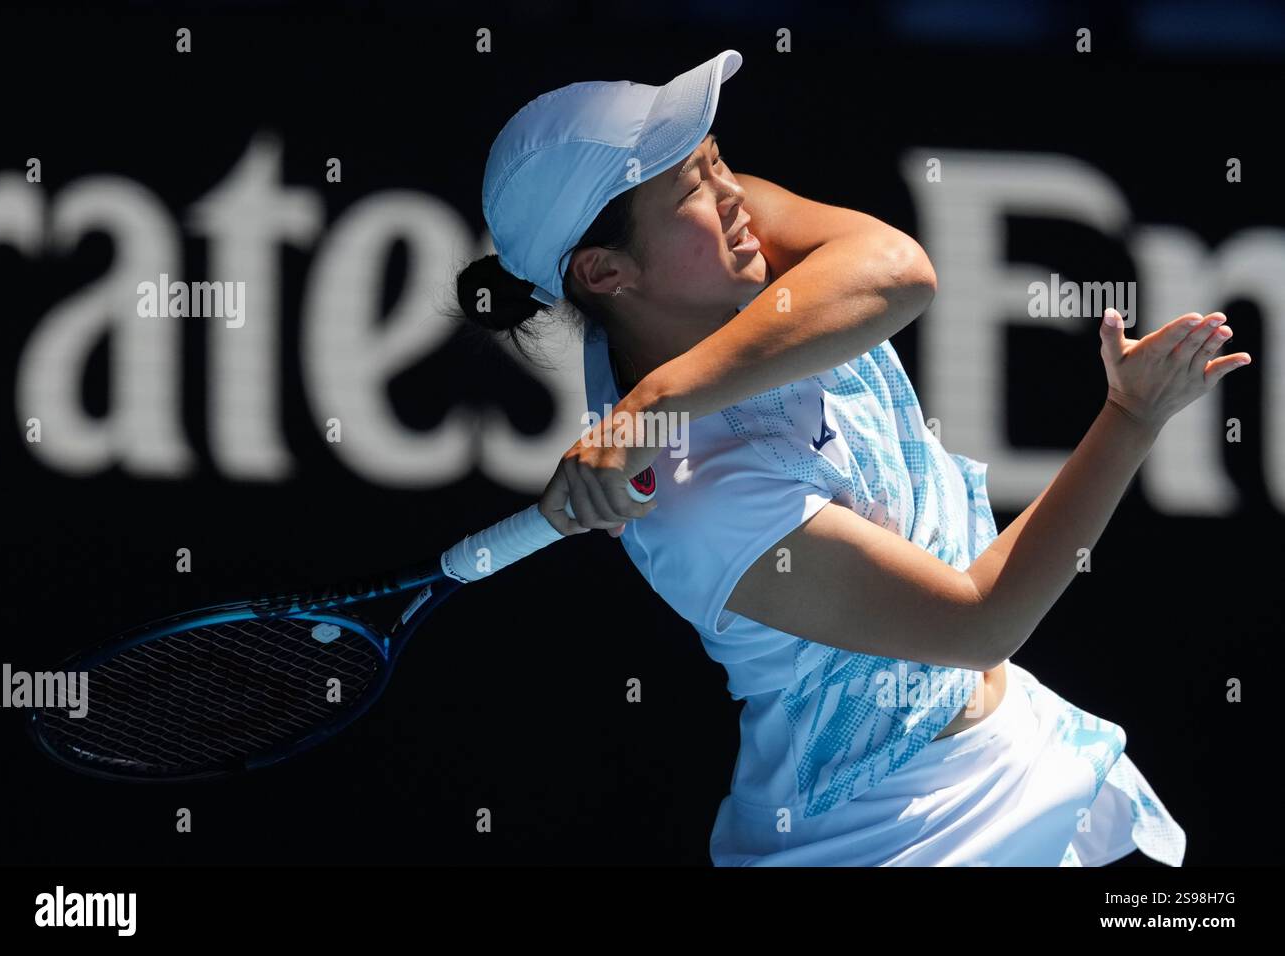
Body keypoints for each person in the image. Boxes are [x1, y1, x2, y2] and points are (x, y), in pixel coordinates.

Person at [450, 49, 1250, 865]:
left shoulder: (725, 254)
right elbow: (981, 618)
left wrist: (655, 403)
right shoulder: (701, 502)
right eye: (693, 186)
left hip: (1026, 747)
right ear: (604, 272)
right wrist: (1130, 416)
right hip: (892, 840)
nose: (735, 197)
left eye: (718, 159)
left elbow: (900, 273)